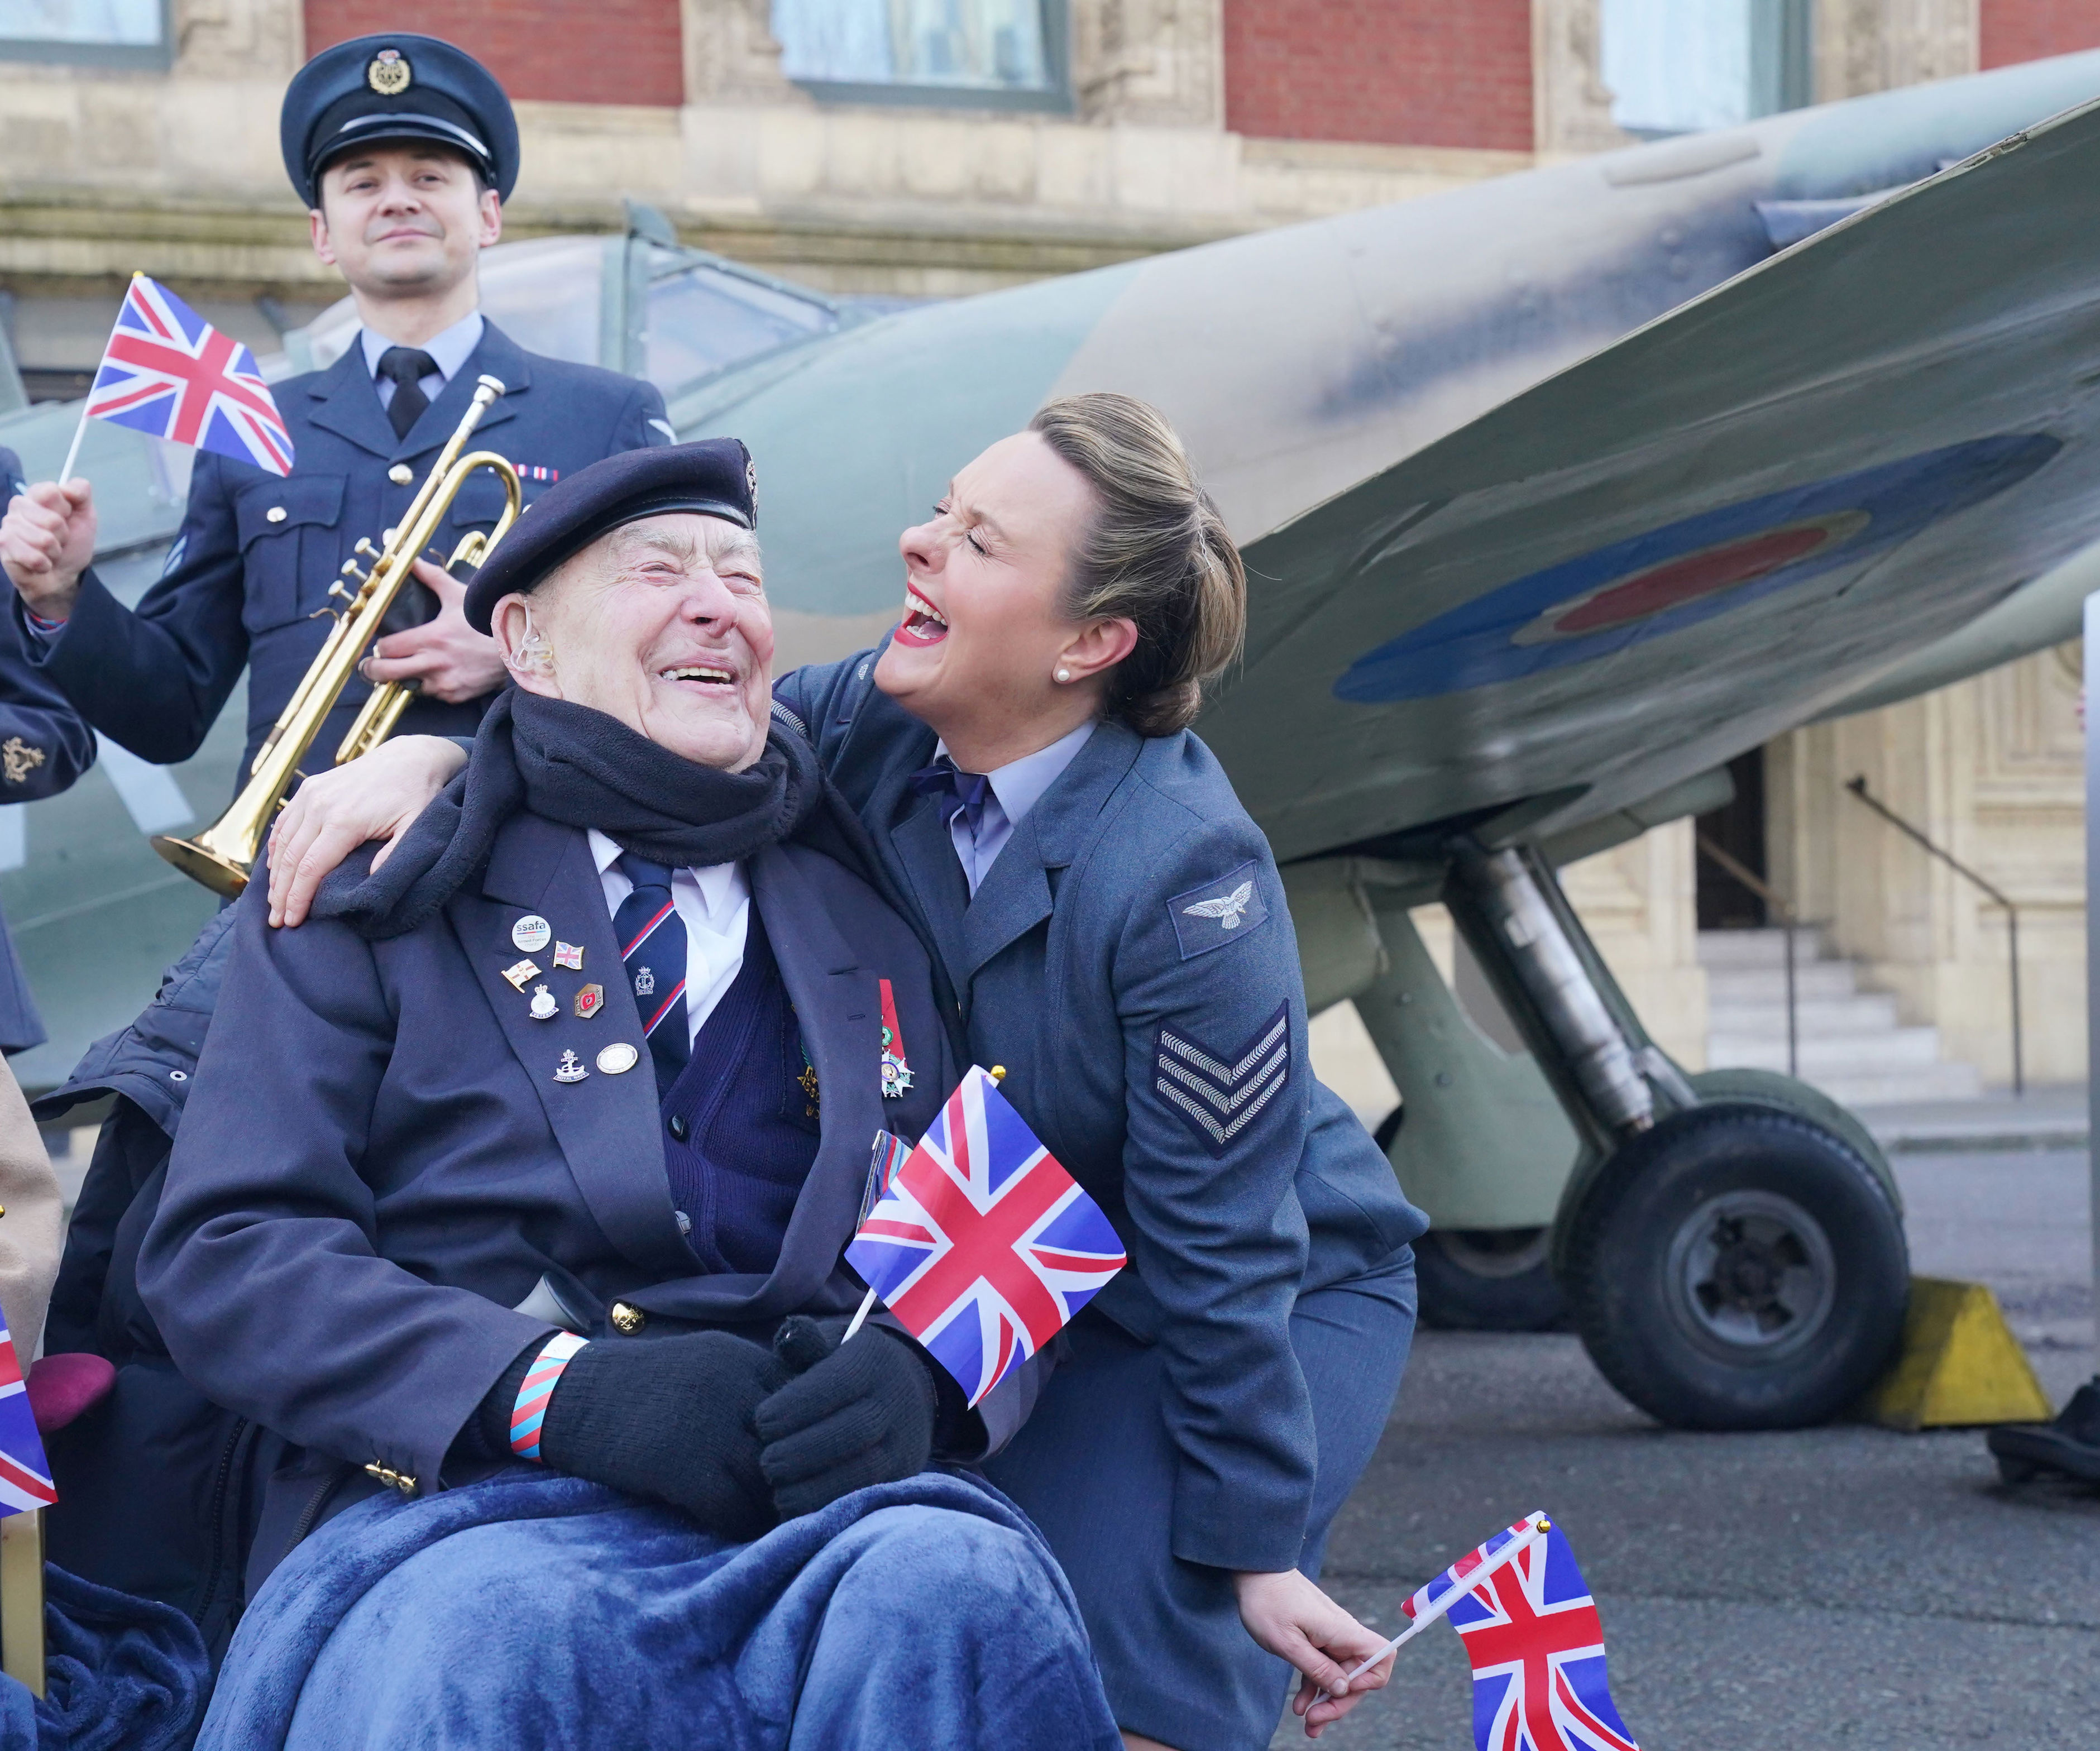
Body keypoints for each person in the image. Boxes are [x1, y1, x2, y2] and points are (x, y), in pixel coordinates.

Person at [270, 394, 1428, 1749]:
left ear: (1089, 643)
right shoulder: (877, 720)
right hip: (1014, 1272)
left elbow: (1229, 1248)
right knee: (954, 1632)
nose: (918, 544)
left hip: (1229, 1289)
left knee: (1124, 1680)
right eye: (943, 509)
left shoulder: (1187, 878)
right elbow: (640, 740)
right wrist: (440, 757)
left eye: (979, 541)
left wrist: (1255, 1544)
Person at [131, 441, 1117, 1749]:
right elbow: (231, 1253)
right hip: (464, 1500)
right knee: (502, 1643)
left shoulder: (867, 911)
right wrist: (557, 1389)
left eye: (743, 579)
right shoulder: (372, 884)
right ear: (526, 647)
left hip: (805, 1508)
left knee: (970, 1589)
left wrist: (923, 1379)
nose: (718, 605)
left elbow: (982, 1219)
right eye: (658, 572)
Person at [0, 33, 669, 788]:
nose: (397, 199)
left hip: (520, 847)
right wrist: (59, 593)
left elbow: (679, 653)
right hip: (298, 856)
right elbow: (168, 712)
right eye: (361, 183)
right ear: (322, 233)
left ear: (488, 215)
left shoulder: (608, 417)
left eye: (429, 176)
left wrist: (521, 654)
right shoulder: (251, 426)